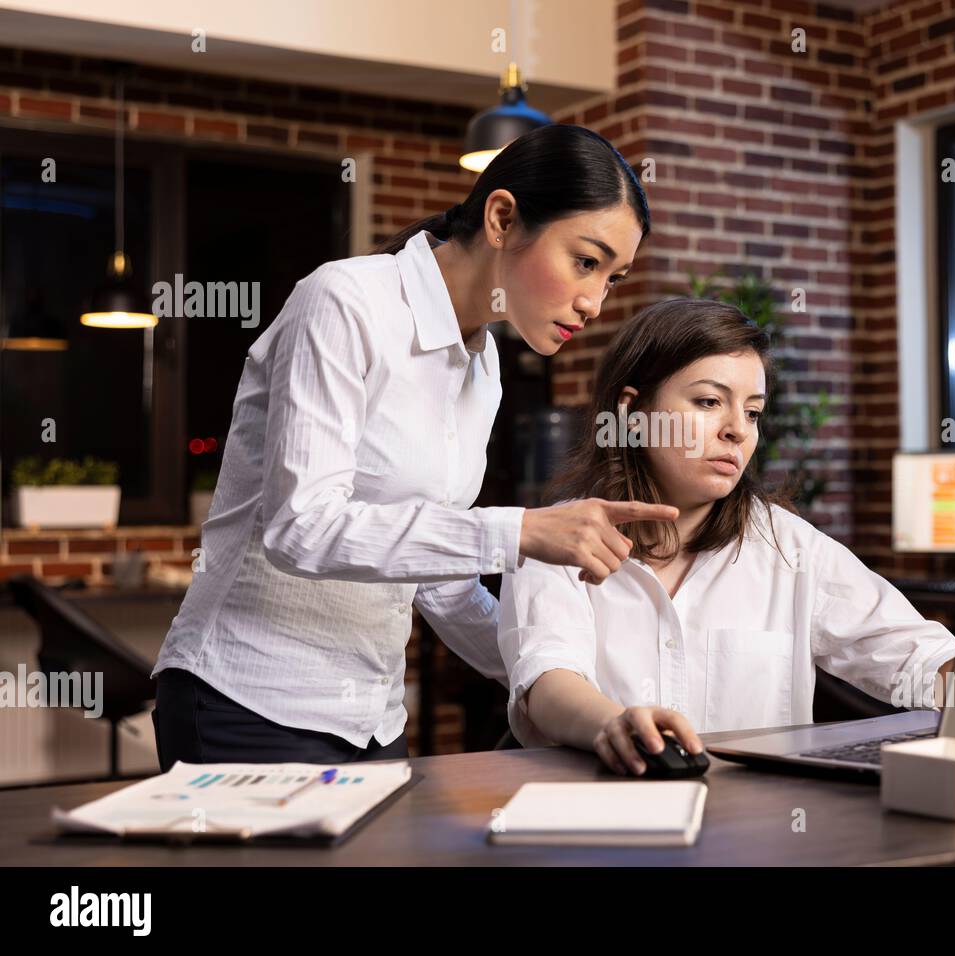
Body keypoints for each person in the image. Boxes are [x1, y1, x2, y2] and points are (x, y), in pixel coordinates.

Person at [152, 124, 677, 770]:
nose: (595, 302)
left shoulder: (484, 365)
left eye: (614, 279)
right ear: (503, 217)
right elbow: (302, 527)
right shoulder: (345, 303)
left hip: (372, 722)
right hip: (246, 704)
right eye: (586, 261)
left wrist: (567, 689)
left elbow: (441, 582)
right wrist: (517, 533)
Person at [498, 298, 955, 774]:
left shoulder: (789, 545)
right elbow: (546, 682)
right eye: (709, 402)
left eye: (754, 412)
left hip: (762, 828)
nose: (738, 430)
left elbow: (917, 658)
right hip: (610, 822)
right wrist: (613, 725)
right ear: (632, 412)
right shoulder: (551, 539)